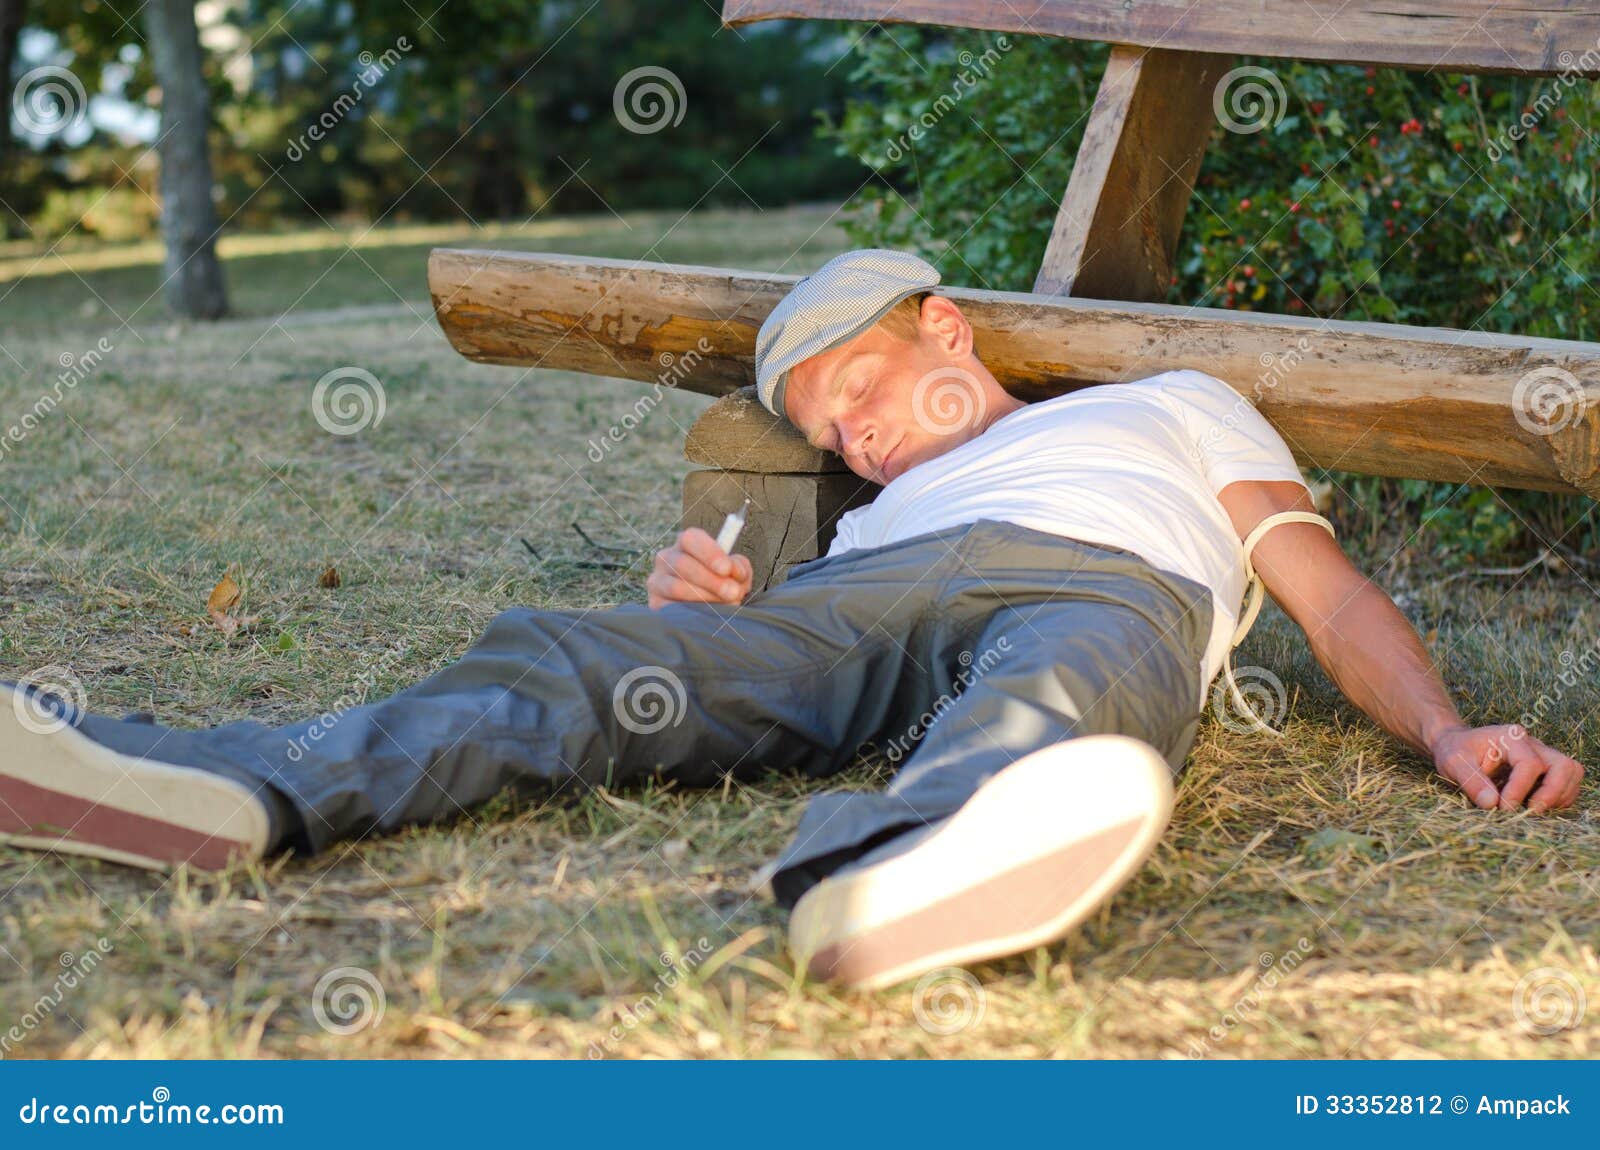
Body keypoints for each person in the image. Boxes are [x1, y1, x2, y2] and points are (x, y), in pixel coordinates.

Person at [1, 250, 1584, 991]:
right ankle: (230, 784)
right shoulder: (876, 505)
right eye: (828, 433)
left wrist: (1450, 728)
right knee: (570, 657)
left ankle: (888, 878)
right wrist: (691, 620)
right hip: (862, 598)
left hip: (1114, 582)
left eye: (867, 391)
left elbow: (1324, 586)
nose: (858, 440)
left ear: (944, 326)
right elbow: (768, 627)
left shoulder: (1177, 403)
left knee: (1069, 699)